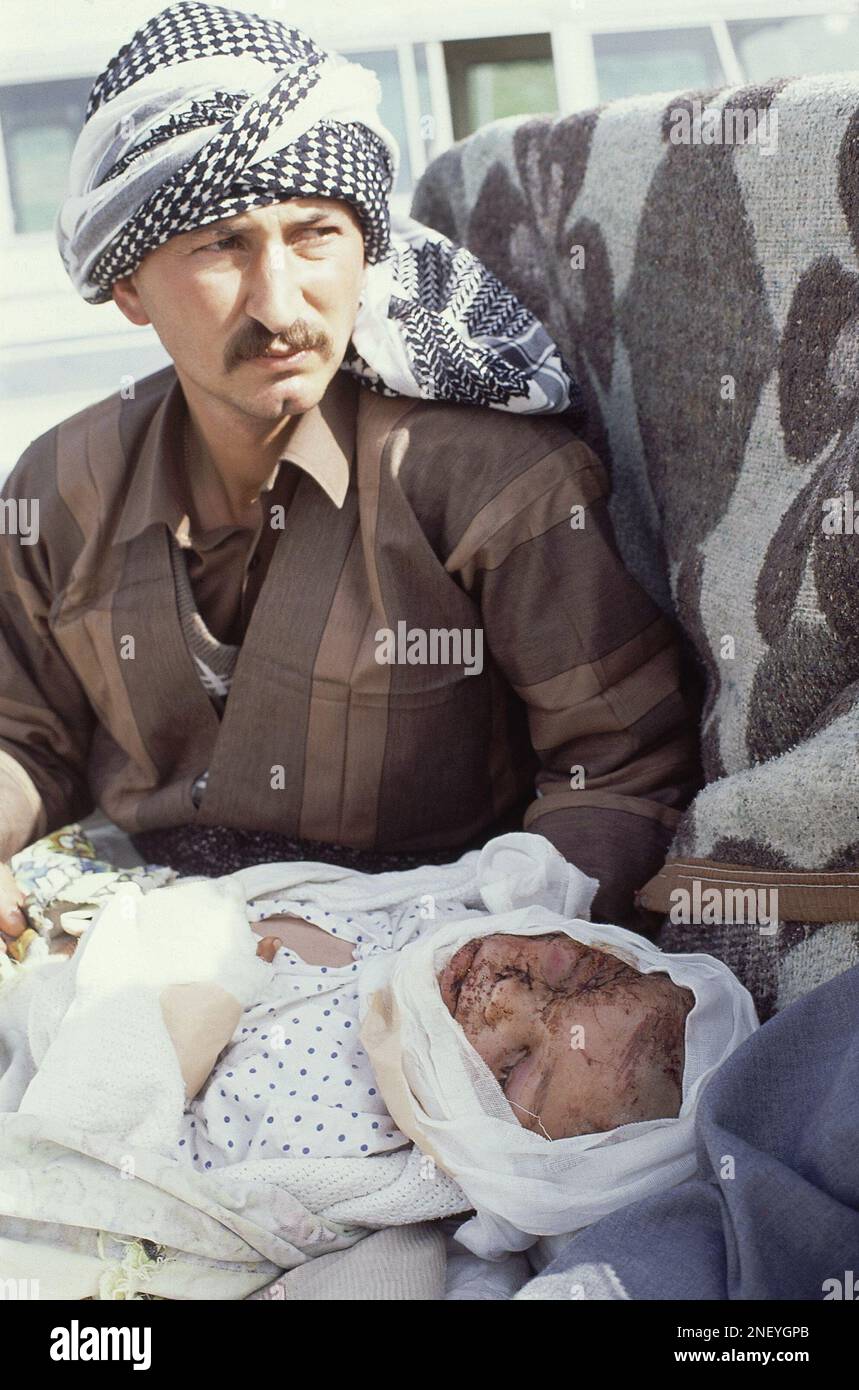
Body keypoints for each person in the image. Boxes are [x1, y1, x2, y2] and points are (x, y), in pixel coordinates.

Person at [0, 1, 700, 962]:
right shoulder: (62, 487)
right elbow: (24, 738)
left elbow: (621, 775)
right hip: (133, 940)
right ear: (127, 286)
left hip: (421, 946)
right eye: (220, 244)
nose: (280, 303)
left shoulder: (487, 483)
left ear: (366, 248)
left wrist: (463, 956)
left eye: (315, 234)